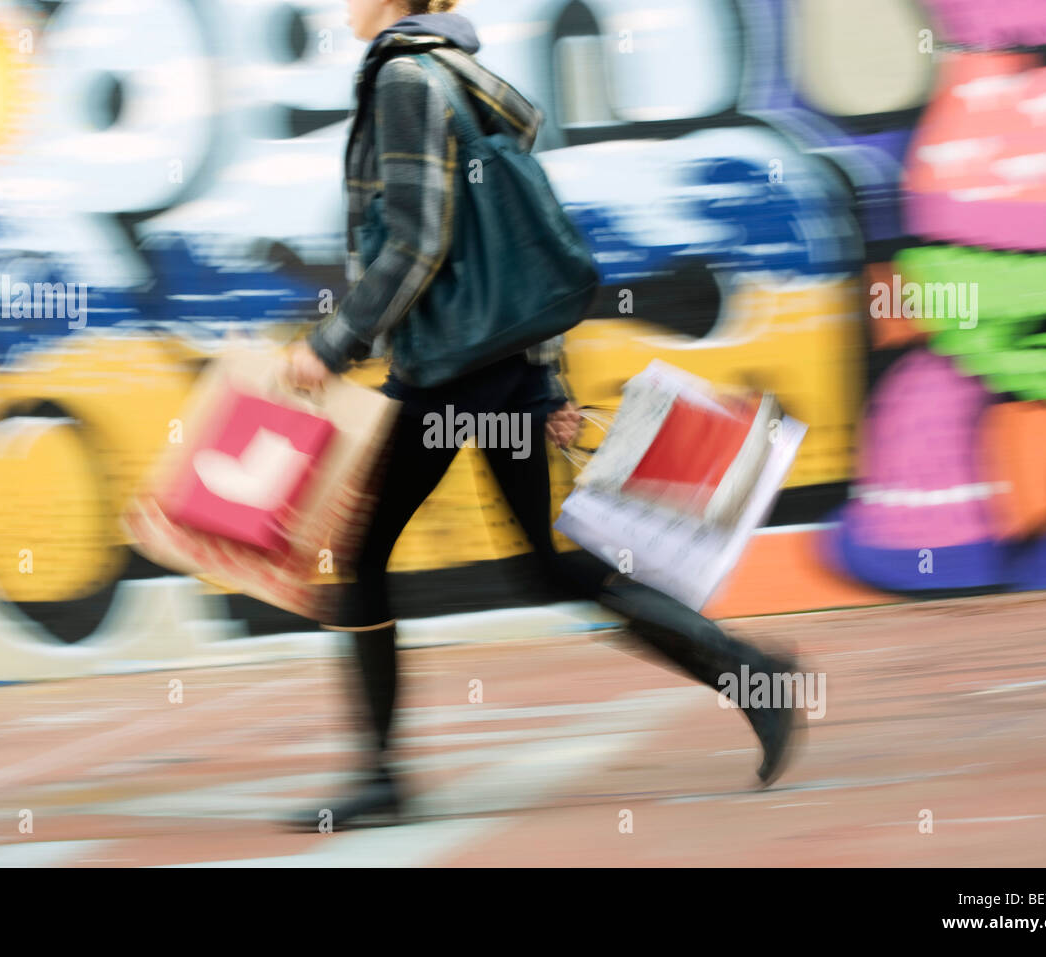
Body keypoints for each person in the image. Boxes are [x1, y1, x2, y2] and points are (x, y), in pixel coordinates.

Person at [282, 0, 804, 828]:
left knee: (360, 554)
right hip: (499, 364)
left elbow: (416, 242)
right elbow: (520, 243)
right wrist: (545, 377)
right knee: (545, 565)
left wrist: (335, 342)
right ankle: (752, 674)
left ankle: (382, 780)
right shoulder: (463, 75)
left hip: (450, 372)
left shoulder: (405, 79)